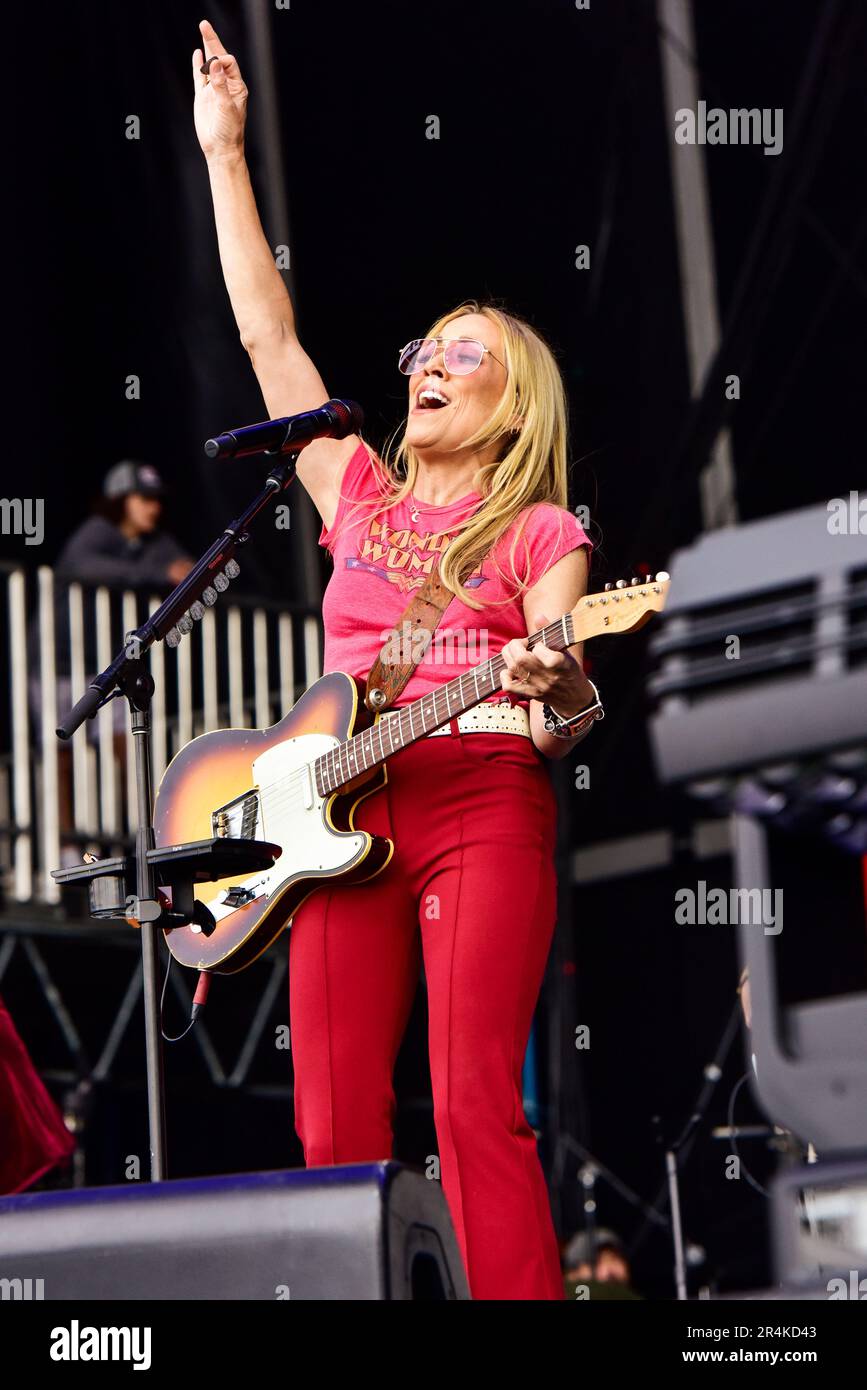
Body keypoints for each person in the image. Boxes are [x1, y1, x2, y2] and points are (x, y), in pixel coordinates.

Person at [193, 18, 602, 1300]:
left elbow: (560, 680)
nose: (430, 358)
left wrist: (561, 683)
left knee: (477, 1098)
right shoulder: (356, 490)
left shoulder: (541, 526)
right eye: (427, 345)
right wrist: (222, 152)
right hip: (339, 816)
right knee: (331, 1130)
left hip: (479, 800)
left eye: (463, 351)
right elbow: (270, 342)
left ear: (514, 402)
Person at [27, 460, 194, 864]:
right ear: (120, 502)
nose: (152, 508)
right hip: (55, 663)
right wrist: (156, 573)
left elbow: (187, 570)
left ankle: (140, 840)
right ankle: (66, 852)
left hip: (103, 665)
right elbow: (82, 566)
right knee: (61, 753)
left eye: (156, 500)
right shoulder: (98, 532)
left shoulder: (156, 542)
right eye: (143, 499)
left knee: (127, 747)